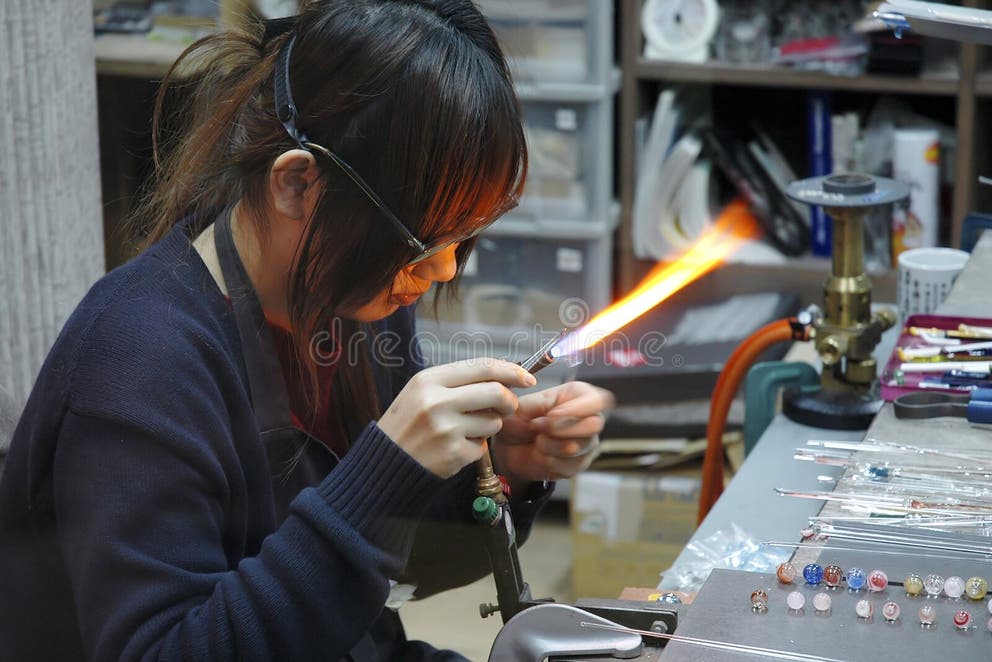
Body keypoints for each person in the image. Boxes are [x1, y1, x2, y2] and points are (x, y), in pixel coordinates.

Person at [0, 1, 613, 660]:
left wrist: (499, 470)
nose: (440, 269)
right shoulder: (136, 368)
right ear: (295, 184)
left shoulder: (355, 302)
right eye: (421, 240)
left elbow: (382, 578)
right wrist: (380, 480)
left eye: (463, 238)